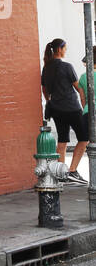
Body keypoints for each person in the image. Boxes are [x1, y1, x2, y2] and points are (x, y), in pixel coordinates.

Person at [42, 39, 88, 182]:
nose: (66, 51)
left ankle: (61, 174)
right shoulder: (67, 66)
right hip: (72, 108)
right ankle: (72, 170)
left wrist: (50, 101)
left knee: (62, 141)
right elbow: (78, 88)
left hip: (56, 109)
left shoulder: (46, 68)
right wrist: (84, 103)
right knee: (84, 139)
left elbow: (44, 90)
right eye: (65, 48)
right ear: (60, 49)